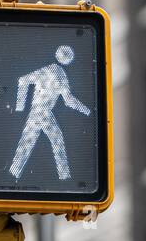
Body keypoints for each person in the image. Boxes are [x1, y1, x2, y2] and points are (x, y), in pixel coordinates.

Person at [9, 45, 90, 181]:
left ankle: (13, 174)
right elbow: (68, 100)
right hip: (41, 112)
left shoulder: (52, 72)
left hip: (40, 112)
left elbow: (23, 80)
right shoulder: (57, 74)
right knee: (49, 140)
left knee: (30, 144)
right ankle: (64, 178)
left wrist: (20, 107)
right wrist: (86, 110)